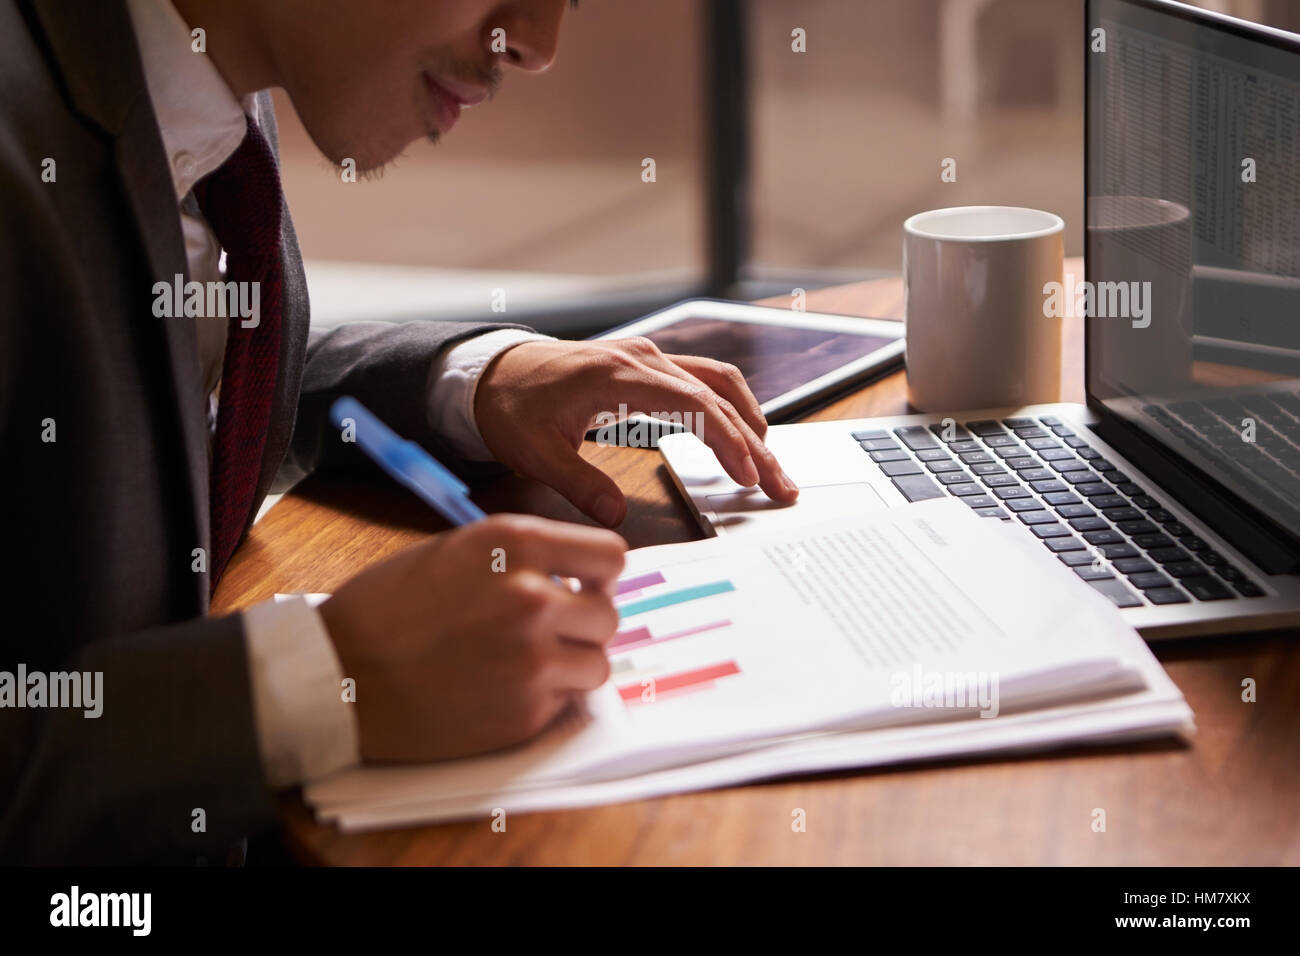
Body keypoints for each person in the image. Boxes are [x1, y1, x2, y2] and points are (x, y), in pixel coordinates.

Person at [0, 0, 797, 863]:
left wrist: (476, 382)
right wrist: (313, 682)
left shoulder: (209, 79)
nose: (535, 44)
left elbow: (170, 390)